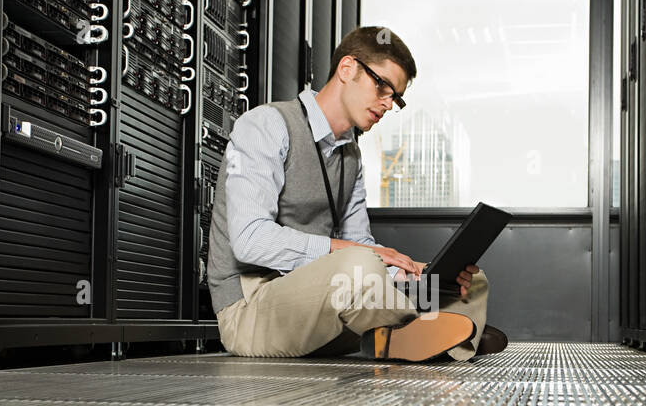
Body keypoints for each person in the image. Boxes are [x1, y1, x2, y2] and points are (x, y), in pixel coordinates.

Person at [206, 25, 508, 362]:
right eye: (383, 87)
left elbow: (361, 245)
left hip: (327, 312)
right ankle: (434, 331)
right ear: (347, 69)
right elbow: (250, 239)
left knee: (472, 280)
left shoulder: (351, 156)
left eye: (396, 97)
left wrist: (414, 271)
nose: (388, 104)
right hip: (252, 312)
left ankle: (428, 331)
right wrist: (346, 251)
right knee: (358, 267)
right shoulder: (265, 125)